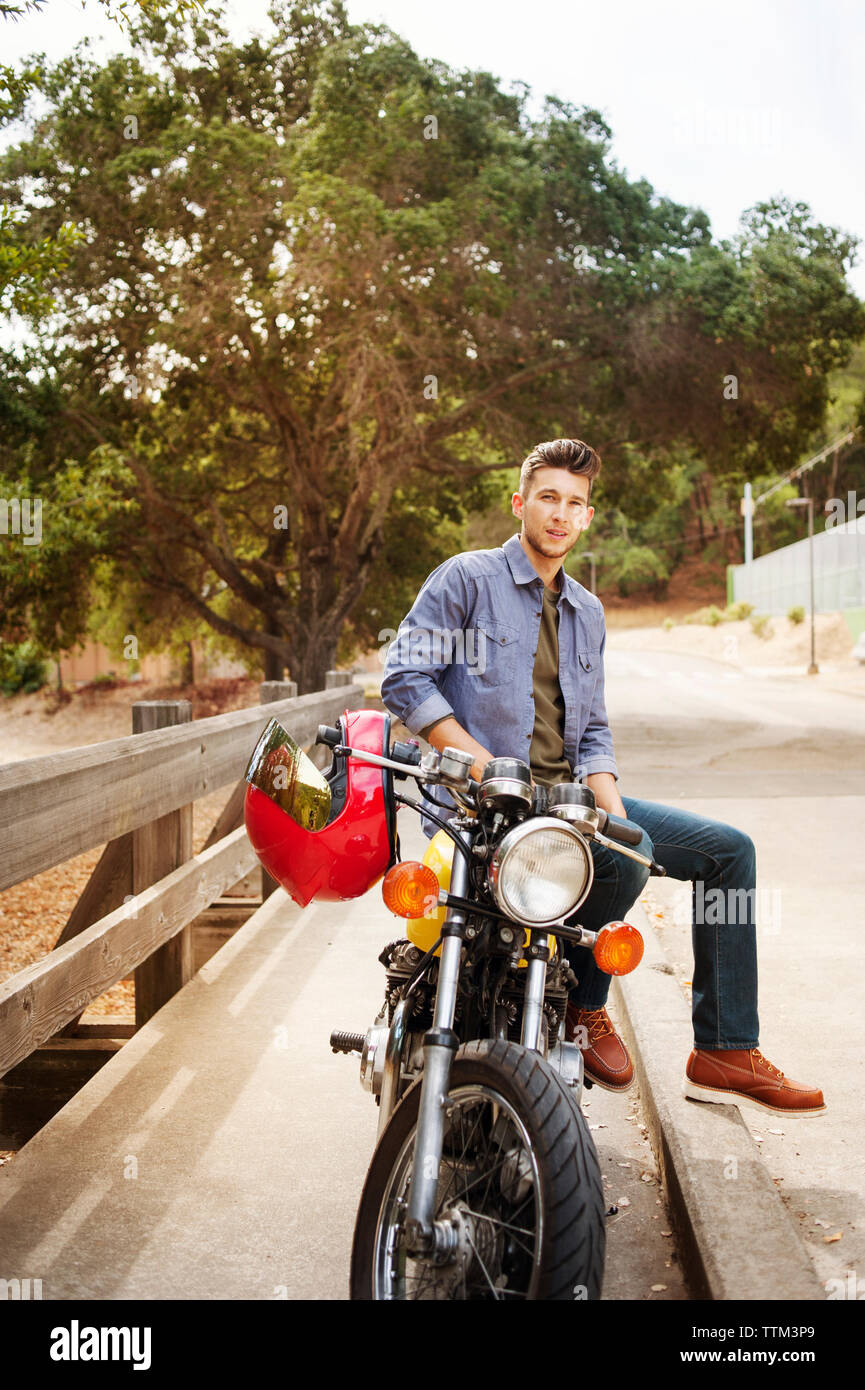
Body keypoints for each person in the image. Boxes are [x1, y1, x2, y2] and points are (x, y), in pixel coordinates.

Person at [380, 438, 825, 1118]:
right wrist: (478, 762)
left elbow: (590, 732)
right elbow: (405, 678)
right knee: (632, 858)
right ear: (519, 502)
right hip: (484, 808)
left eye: (575, 504)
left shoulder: (587, 612)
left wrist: (612, 812)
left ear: (588, 518)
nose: (559, 514)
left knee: (725, 852)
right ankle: (584, 1010)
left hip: (568, 804)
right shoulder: (465, 579)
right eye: (548, 497)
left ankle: (723, 1049)